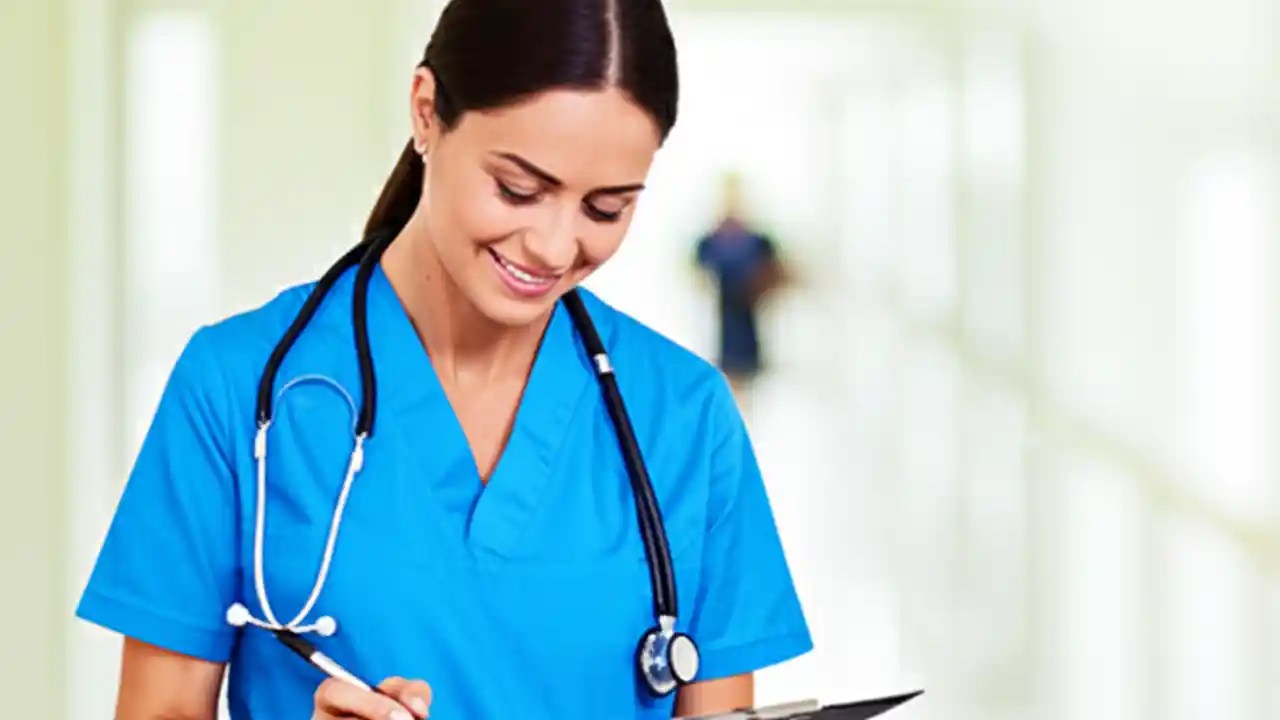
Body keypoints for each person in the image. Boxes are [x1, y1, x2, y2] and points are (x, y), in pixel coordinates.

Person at [74, 1, 812, 718]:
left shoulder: (684, 415)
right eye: (519, 190)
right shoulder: (234, 386)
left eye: (606, 208)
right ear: (426, 112)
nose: (555, 247)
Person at [694, 173, 787, 397]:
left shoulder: (759, 242)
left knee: (746, 381)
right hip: (720, 325)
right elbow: (697, 276)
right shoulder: (710, 242)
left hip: (749, 324)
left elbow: (777, 276)